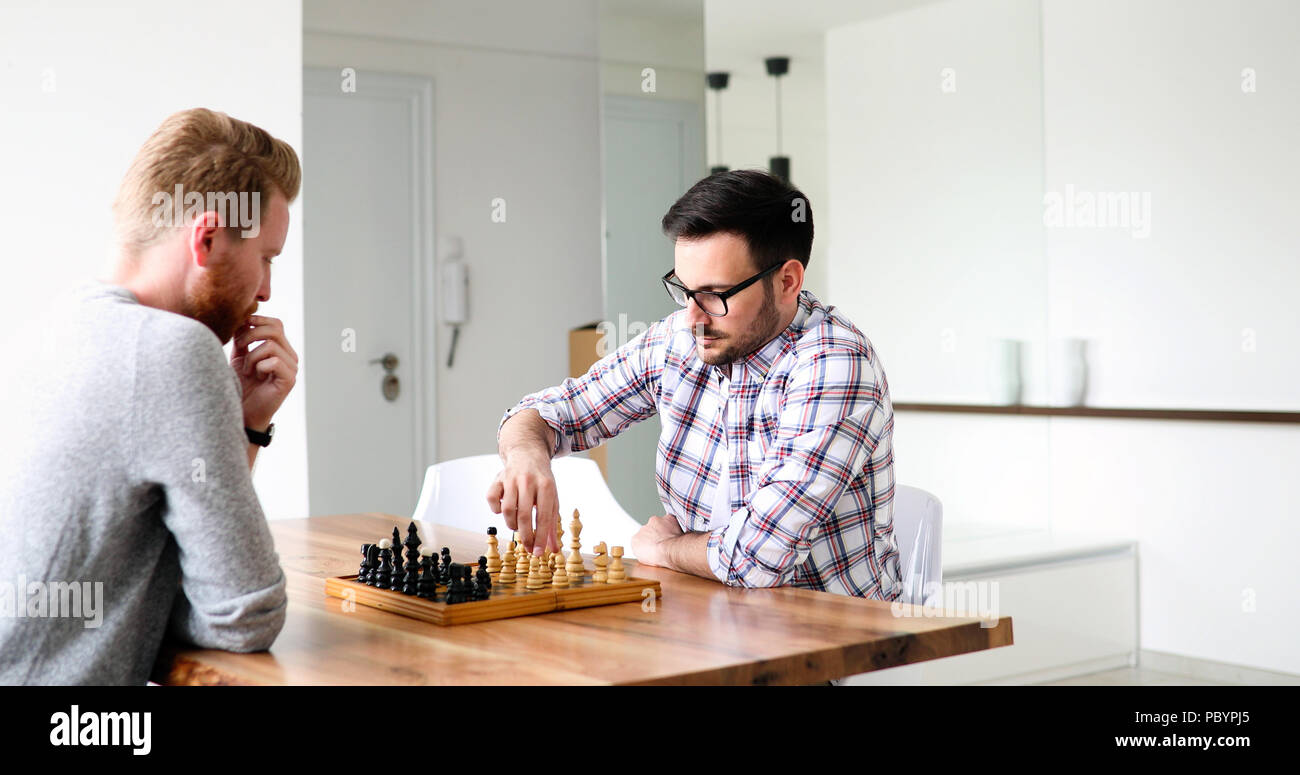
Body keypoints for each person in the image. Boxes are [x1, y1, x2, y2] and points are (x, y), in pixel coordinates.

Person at [488, 170, 902, 600]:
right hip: (707, 614)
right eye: (684, 290)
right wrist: (526, 456)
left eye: (714, 294)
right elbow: (558, 410)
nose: (692, 316)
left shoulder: (834, 364)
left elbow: (759, 557)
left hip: (829, 643)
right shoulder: (682, 338)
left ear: (787, 282)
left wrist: (665, 549)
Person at [0, 108, 301, 684]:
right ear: (208, 237)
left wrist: (246, 422)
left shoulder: (44, 330)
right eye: (265, 258)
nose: (265, 290)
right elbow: (244, 617)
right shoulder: (172, 350)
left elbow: (161, 580)